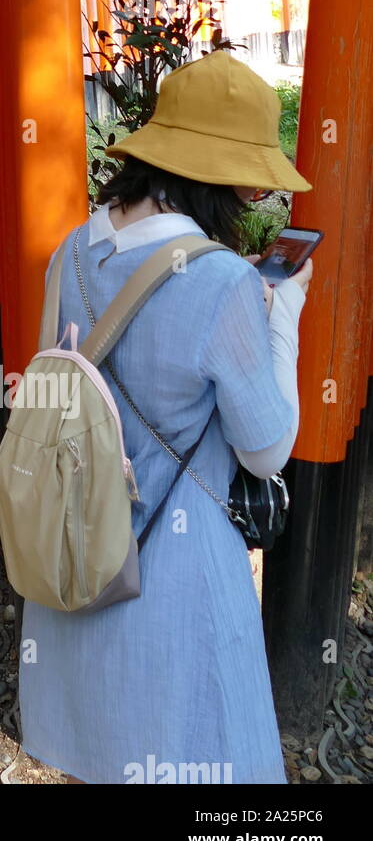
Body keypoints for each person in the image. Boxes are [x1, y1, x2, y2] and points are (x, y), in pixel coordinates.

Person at [17, 49, 313, 785]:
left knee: (95, 752)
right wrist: (285, 318)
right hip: (174, 574)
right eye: (247, 192)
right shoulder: (221, 282)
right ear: (218, 184)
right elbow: (267, 449)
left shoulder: (70, 255)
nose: (249, 205)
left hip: (79, 550)